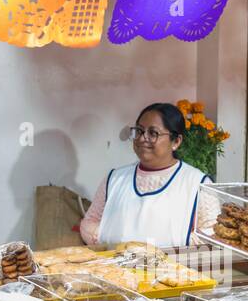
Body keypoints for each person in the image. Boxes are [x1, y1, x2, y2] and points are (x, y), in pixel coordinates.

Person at [80, 102, 212, 248]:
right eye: (139, 131)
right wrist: (110, 243)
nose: (142, 138)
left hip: (171, 268)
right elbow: (89, 222)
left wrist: (171, 251)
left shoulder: (198, 184)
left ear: (176, 141)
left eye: (153, 133)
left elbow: (211, 234)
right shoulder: (115, 179)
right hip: (114, 266)